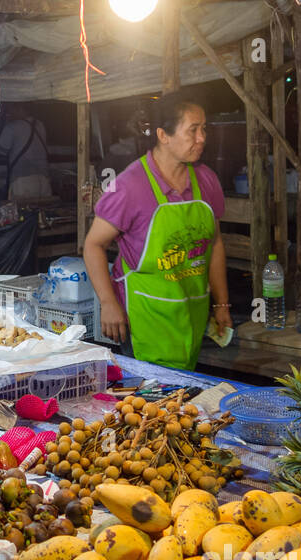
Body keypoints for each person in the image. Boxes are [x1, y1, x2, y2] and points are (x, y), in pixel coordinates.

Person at [83, 96, 231, 370]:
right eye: (193, 130)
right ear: (163, 135)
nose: (202, 138)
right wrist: (108, 302)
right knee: (147, 406)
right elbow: (93, 245)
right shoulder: (130, 185)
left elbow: (215, 243)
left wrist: (222, 304)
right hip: (144, 318)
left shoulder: (206, 180)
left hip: (191, 314)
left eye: (204, 129)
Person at [0, 104, 51, 200]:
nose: (8, 113)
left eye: (10, 110)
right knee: (43, 212)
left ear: (19, 109)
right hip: (44, 179)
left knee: (23, 213)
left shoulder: (12, 127)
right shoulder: (40, 125)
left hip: (22, 180)